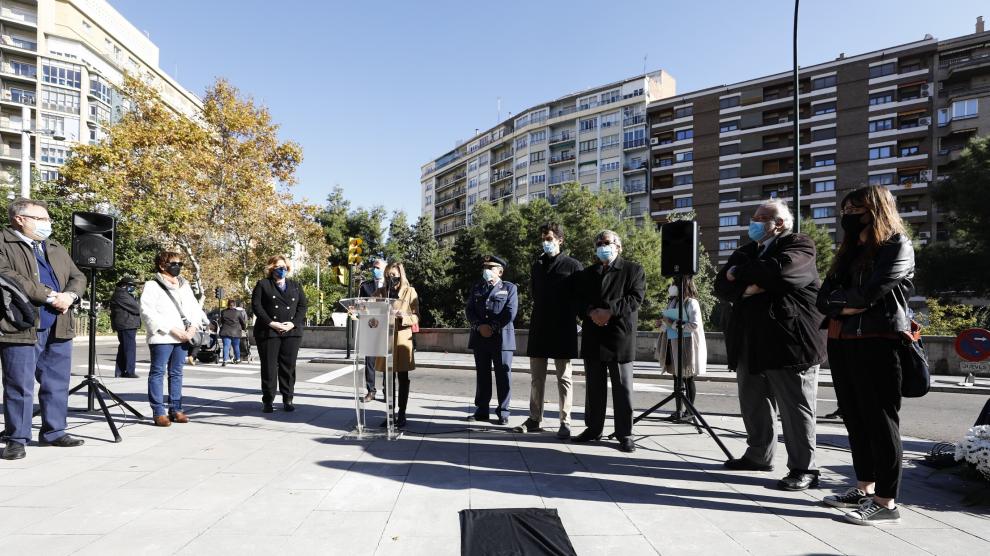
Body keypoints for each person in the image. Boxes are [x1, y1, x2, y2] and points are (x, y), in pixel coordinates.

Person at [817, 185, 915, 525]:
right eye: (844, 210)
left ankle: (886, 502)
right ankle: (864, 487)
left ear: (875, 209)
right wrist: (848, 305)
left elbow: (872, 292)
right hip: (842, 340)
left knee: (880, 419)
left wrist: (844, 304)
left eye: (853, 209)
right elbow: (823, 298)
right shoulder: (848, 251)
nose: (847, 216)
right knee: (854, 416)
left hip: (878, 340)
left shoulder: (896, 245)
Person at [714, 199, 827, 491]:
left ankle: (805, 468)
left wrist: (739, 274)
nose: (755, 221)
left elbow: (781, 272)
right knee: (753, 403)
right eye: (754, 216)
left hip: (788, 342)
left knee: (795, 407)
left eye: (762, 217)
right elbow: (721, 287)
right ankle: (758, 456)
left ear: (780, 223)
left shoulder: (800, 245)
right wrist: (749, 281)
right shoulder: (746, 250)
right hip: (749, 342)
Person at [0, 198, 87, 460]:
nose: (47, 224)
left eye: (47, 219)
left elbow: (78, 276)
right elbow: (9, 276)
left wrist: (70, 297)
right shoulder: (4, 243)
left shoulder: (54, 246)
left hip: (59, 322)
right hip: (21, 323)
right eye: (41, 219)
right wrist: (50, 296)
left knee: (56, 381)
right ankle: (16, 438)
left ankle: (54, 431)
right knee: (19, 384)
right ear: (20, 219)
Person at [574, 230, 645, 453]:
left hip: (619, 336)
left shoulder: (633, 269)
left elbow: (635, 298)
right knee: (594, 388)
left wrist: (609, 312)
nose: (602, 246)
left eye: (607, 242)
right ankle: (594, 428)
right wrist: (592, 312)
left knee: (622, 389)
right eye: (599, 243)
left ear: (618, 246)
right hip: (594, 335)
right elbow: (578, 300)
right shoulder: (588, 273)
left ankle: (625, 433)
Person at [513, 222, 583, 439]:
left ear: (560, 240)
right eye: (543, 239)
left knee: (564, 378)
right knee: (536, 378)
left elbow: (579, 297)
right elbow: (535, 294)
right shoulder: (537, 266)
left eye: (549, 239)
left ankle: (566, 421)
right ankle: (535, 418)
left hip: (563, 327)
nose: (545, 242)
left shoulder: (573, 265)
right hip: (540, 326)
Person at [140, 251, 209, 427]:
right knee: (157, 373)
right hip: (163, 336)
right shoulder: (152, 285)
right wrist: (172, 329)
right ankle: (158, 412)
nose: (177, 266)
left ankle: (176, 409)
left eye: (180, 263)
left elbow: (195, 308)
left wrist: (193, 327)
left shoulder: (184, 286)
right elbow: (147, 312)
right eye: (173, 263)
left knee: (176, 373)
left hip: (185, 336)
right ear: (162, 265)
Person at [465, 255, 517, 425]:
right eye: (485, 267)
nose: (486, 270)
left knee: (503, 376)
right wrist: (479, 326)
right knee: (482, 375)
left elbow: (510, 312)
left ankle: (503, 411)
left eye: (491, 267)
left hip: (501, 339)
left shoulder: (509, 288)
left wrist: (493, 327)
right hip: (480, 338)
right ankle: (482, 410)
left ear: (500, 271)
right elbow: (470, 310)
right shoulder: (477, 287)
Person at [252, 255, 307, 413]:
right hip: (269, 331)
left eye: (283, 267)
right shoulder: (263, 284)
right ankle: (268, 400)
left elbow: (302, 307)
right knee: (269, 367)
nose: (281, 270)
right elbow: (257, 306)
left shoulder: (295, 285)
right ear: (271, 268)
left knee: (288, 367)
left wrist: (293, 323)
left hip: (292, 332)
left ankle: (288, 398)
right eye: (277, 267)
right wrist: (271, 322)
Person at [654, 275, 707, 421]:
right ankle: (678, 411)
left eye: (675, 283)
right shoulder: (672, 302)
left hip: (686, 345)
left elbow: (694, 326)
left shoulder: (691, 303)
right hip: (672, 343)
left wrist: (671, 323)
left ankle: (690, 412)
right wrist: (662, 324)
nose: (672, 286)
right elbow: (668, 323)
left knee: (688, 378)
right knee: (676, 378)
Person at [373, 262, 419, 428]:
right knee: (388, 378)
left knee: (403, 378)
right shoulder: (381, 292)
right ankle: (389, 413)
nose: (391, 278)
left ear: (401, 275)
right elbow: (370, 308)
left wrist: (402, 316)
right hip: (386, 339)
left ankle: (402, 413)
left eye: (394, 275)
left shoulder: (410, 291)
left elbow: (416, 317)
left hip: (402, 339)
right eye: (388, 275)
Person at [359, 257, 386, 402]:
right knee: (369, 361)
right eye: (374, 267)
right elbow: (359, 305)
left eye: (378, 267)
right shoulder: (365, 286)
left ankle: (387, 391)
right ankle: (371, 391)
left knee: (385, 361)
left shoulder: (389, 286)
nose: (375, 270)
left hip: (386, 328)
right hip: (370, 327)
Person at [110, 276, 141, 378]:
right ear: (124, 285)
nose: (133, 288)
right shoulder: (121, 294)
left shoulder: (123, 294)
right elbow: (136, 308)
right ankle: (129, 371)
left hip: (126, 323)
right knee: (129, 348)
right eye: (131, 286)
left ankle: (120, 371)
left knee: (124, 348)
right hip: (126, 324)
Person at [219, 299, 247, 366]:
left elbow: (221, 321)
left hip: (225, 331)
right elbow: (243, 322)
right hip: (236, 332)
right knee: (236, 346)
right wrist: (244, 328)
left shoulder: (223, 312)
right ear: (235, 305)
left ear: (227, 305)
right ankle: (237, 359)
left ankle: (225, 360)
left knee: (226, 346)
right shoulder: (238, 312)